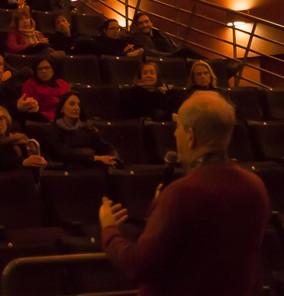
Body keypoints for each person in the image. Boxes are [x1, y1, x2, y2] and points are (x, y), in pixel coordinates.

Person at [99, 91, 270, 296]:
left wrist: (109, 230)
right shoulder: (255, 186)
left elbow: (140, 266)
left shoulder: (181, 194)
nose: (175, 134)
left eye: (178, 127)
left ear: (191, 136)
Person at [44, 92, 120, 169]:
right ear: (62, 109)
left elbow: (105, 147)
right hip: (64, 171)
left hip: (90, 170)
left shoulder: (88, 129)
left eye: (79, 105)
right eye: (72, 104)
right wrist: (95, 157)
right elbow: (64, 153)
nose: (76, 108)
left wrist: (112, 158)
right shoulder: (52, 129)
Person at [0, 104, 47, 172]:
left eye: (0, 118)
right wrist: (22, 162)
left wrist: (39, 160)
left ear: (6, 120)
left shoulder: (19, 138)